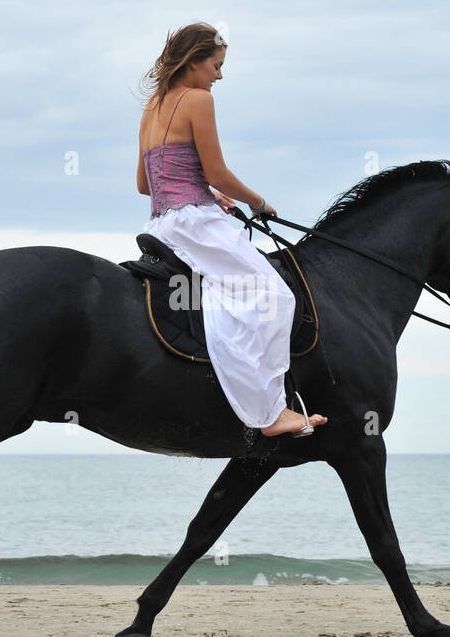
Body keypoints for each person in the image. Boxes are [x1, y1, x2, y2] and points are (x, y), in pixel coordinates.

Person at [135, 23, 327, 437]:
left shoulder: (152, 106)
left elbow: (144, 184)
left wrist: (203, 190)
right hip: (194, 226)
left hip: (162, 224)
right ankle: (271, 412)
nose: (219, 76)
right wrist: (257, 202)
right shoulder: (198, 99)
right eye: (216, 67)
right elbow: (218, 172)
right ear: (193, 62)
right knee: (276, 297)